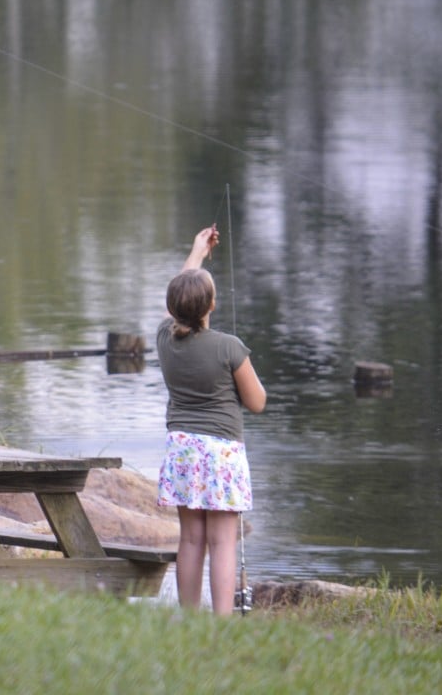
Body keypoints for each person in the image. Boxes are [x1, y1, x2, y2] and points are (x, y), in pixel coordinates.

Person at [156, 225, 266, 614]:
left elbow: (179, 298)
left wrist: (197, 252)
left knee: (190, 540)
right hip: (221, 454)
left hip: (183, 449)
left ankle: (190, 619)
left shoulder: (165, 339)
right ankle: (220, 624)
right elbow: (257, 402)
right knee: (222, 541)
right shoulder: (229, 348)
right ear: (212, 307)